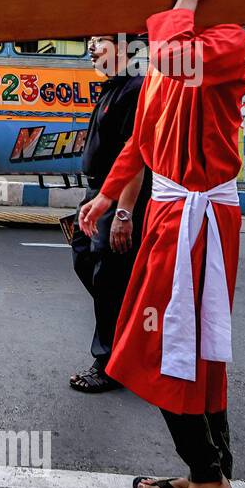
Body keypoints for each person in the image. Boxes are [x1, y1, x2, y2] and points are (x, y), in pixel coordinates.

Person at [79, 0, 245, 488]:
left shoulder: (225, 39)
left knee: (164, 348)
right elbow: (142, 139)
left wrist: (183, 2)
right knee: (191, 349)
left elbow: (184, 58)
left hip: (201, 217)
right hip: (168, 211)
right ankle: (207, 472)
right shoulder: (163, 55)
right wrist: (107, 196)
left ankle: (210, 480)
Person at [68, 34, 151, 393]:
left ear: (124, 47)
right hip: (99, 193)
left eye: (100, 41)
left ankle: (110, 364)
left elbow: (137, 159)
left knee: (109, 277)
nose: (91, 47)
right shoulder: (112, 87)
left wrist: (123, 213)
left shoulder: (135, 87)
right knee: (85, 261)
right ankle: (128, 342)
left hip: (118, 198)